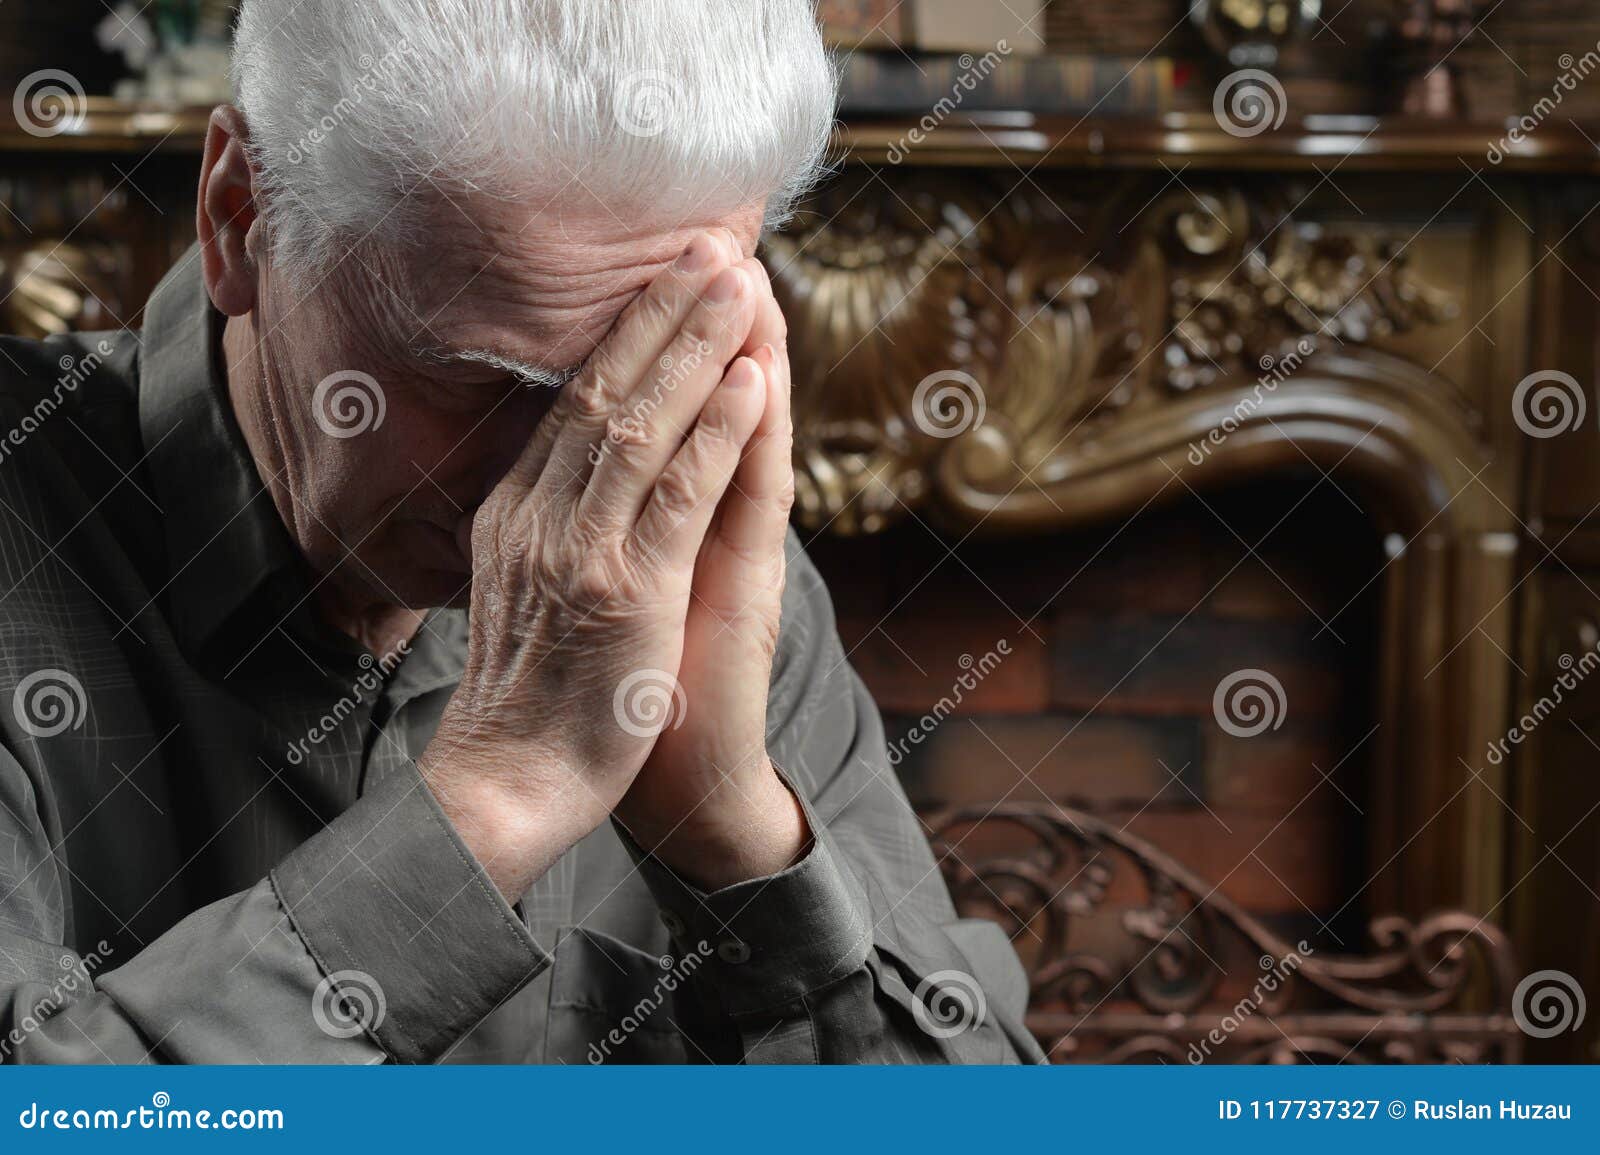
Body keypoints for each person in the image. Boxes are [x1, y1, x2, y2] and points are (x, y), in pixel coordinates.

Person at [0, 0, 1040, 1064]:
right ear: (238, 215)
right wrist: (493, 803)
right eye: (472, 381)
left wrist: (737, 841)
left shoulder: (706, 577)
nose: (553, 510)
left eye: (638, 382)